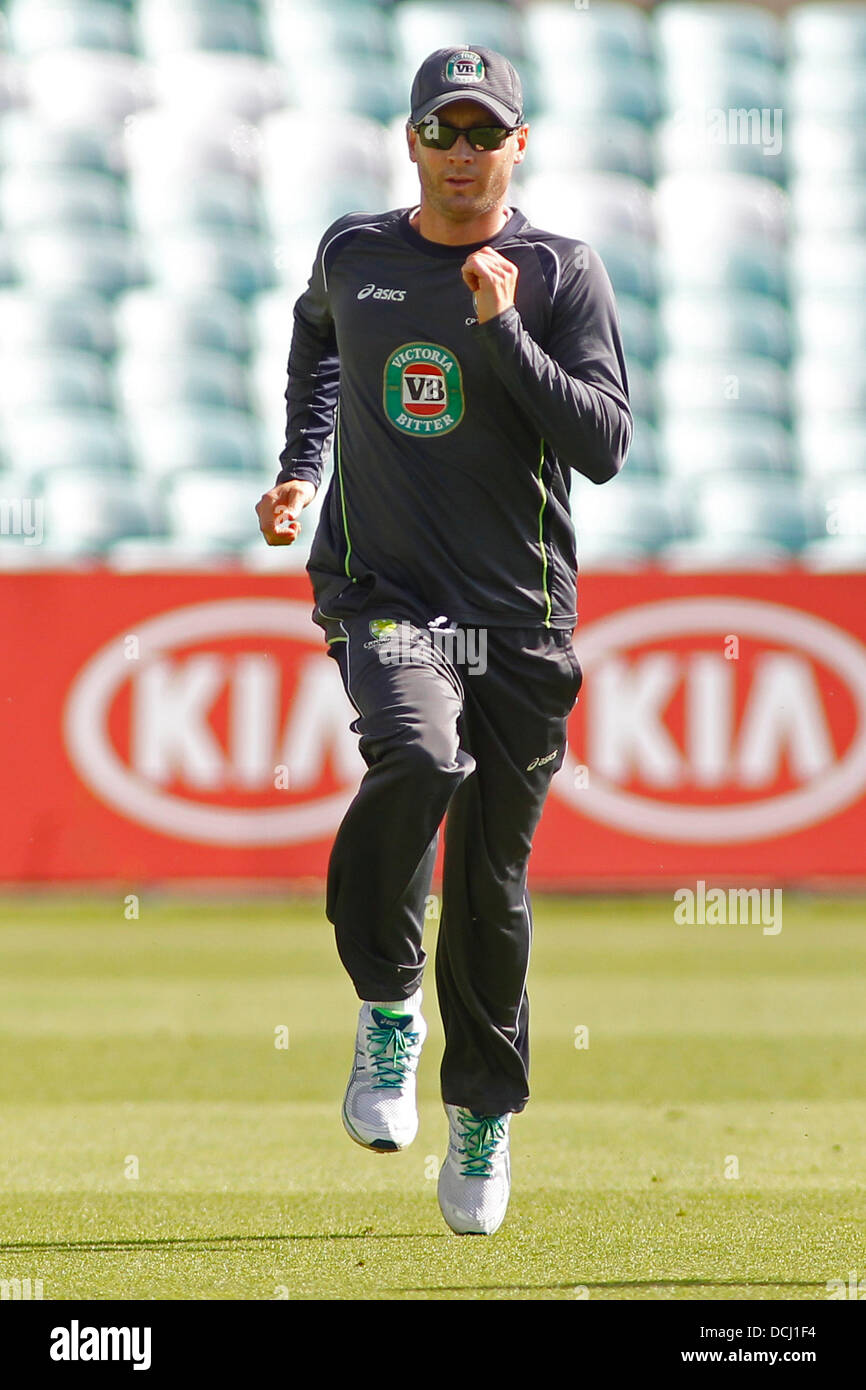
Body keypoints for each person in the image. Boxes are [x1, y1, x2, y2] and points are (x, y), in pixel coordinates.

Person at [257, 46, 632, 1235]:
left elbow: (602, 444)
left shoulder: (559, 271)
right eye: (442, 130)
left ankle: (480, 1111)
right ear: (410, 139)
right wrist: (299, 467)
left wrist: (503, 330)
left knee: (489, 886)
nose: (462, 153)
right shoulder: (355, 252)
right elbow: (317, 344)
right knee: (418, 753)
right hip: (384, 589)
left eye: (484, 132)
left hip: (518, 615)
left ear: (519, 145)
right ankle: (386, 1000)